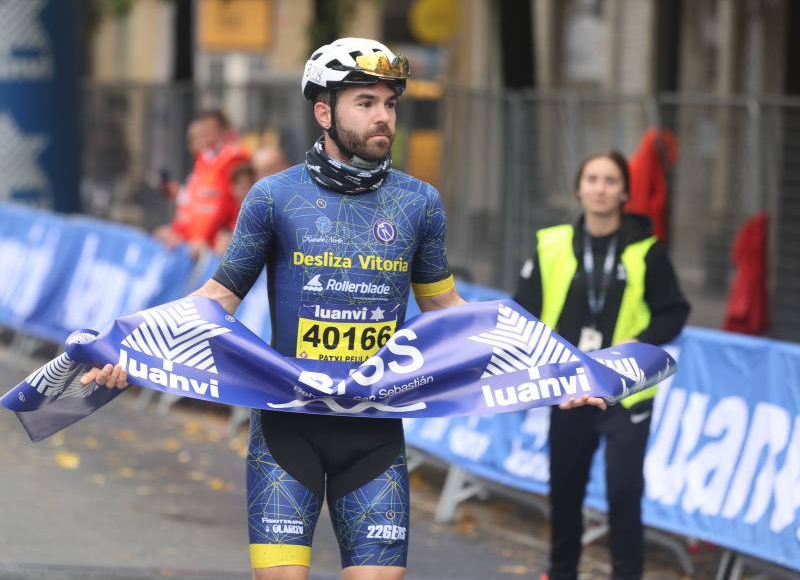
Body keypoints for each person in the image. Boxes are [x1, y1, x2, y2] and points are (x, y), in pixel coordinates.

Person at [82, 38, 602, 578]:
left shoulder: (418, 201)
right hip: (288, 431)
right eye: (366, 103)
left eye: (390, 104)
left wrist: (553, 372)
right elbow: (215, 301)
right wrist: (124, 347)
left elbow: (449, 311)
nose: (384, 118)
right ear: (324, 112)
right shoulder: (273, 197)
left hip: (374, 434)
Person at [513, 150, 690, 580]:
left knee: (624, 492)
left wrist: (640, 342)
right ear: (578, 188)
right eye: (591, 178)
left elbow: (674, 312)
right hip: (571, 390)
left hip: (626, 393)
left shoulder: (647, 252)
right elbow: (524, 313)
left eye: (610, 180)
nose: (600, 188)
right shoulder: (549, 243)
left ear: (625, 191)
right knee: (566, 492)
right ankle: (561, 572)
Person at [154, 109, 249, 256]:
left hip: (217, 250)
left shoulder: (234, 159)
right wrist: (176, 233)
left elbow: (226, 205)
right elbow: (194, 208)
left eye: (210, 132)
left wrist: (208, 240)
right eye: (195, 137)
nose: (204, 139)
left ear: (224, 132)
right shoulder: (203, 164)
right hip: (195, 249)